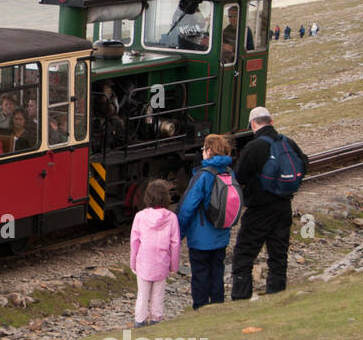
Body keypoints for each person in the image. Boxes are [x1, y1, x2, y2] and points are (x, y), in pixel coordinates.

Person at [231, 107, 309, 300]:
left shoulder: (253, 147)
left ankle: (241, 297)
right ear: (271, 121)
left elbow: (239, 176)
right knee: (278, 253)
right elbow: (304, 163)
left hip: (259, 208)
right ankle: (276, 293)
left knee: (244, 252)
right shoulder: (287, 142)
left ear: (253, 125)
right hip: (283, 206)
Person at [176, 134, 237, 310]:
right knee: (217, 272)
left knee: (200, 274)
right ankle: (217, 307)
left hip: (201, 238)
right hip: (221, 234)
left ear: (209, 151)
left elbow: (188, 207)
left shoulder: (203, 176)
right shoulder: (230, 172)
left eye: (203, 149)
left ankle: (201, 309)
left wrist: (179, 233)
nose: (202, 152)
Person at [130, 179, 180, 327]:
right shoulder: (171, 218)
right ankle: (156, 320)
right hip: (162, 261)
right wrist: (174, 266)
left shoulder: (140, 216)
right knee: (158, 293)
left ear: (147, 197)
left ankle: (139, 321)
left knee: (142, 294)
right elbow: (175, 244)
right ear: (166, 197)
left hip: (143, 261)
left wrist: (133, 263)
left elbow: (134, 242)